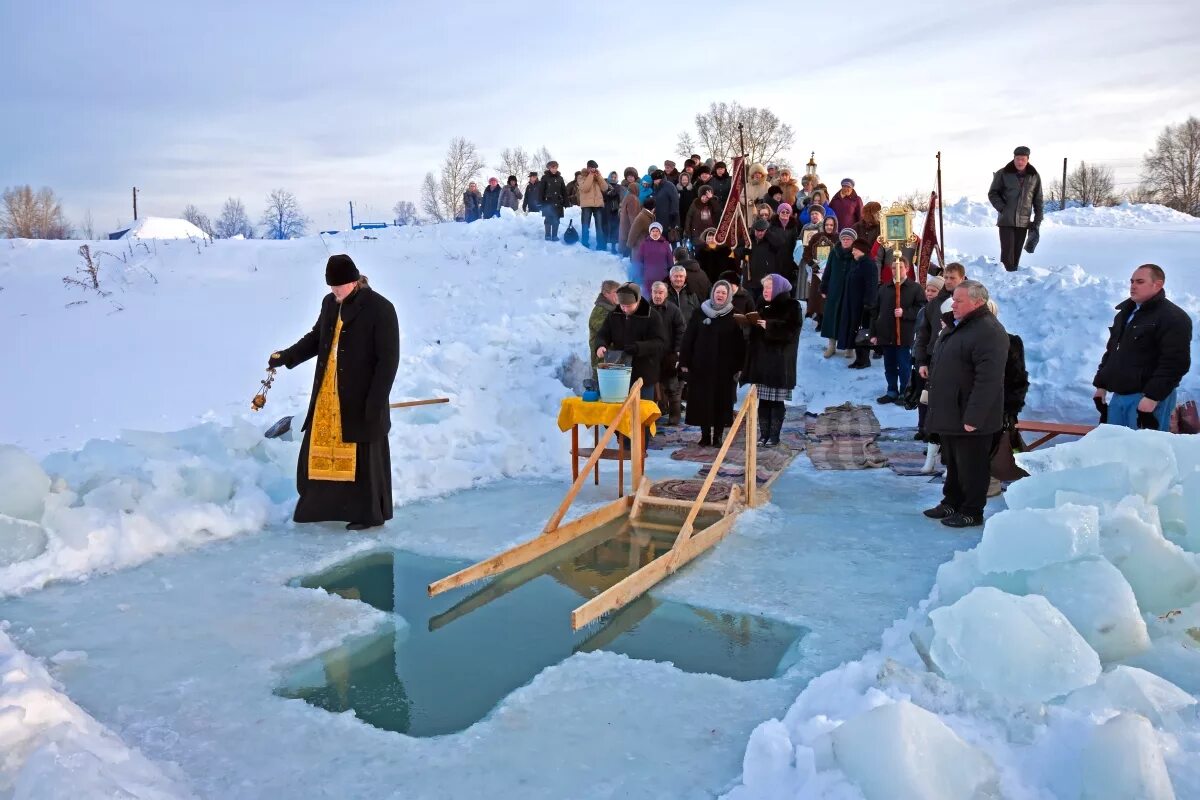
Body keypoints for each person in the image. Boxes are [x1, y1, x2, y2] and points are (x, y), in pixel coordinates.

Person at [268, 255, 399, 531]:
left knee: (360, 455)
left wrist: (375, 402)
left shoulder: (380, 309)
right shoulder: (330, 304)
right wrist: (286, 357)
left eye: (340, 286)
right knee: (319, 449)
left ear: (355, 280)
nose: (335, 291)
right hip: (329, 394)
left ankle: (367, 514)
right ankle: (321, 508)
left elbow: (388, 360)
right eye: (331, 286)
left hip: (362, 397)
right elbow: (317, 338)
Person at [923, 280, 1009, 528]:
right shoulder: (957, 326)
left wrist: (975, 417)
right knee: (953, 461)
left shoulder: (988, 331)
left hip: (970, 415)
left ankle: (972, 510)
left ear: (978, 302)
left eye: (959, 300)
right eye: (953, 299)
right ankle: (952, 501)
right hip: (950, 411)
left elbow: (988, 380)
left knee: (972, 465)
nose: (954, 304)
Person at [1093, 263, 1192, 431]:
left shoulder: (1173, 317)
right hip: (1120, 397)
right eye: (1132, 281)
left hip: (1148, 401)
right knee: (1113, 449)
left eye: (1140, 282)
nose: (1133, 286)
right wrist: (1101, 385)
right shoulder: (1125, 314)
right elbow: (1112, 352)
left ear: (1158, 284)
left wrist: (1152, 397)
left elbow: (1175, 362)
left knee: (1145, 453)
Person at [679, 280, 746, 447]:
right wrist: (685, 361)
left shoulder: (735, 315)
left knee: (721, 402)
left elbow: (740, 345)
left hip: (724, 368)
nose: (720, 295)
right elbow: (688, 338)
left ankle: (717, 436)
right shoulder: (699, 313)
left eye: (724, 293)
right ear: (713, 293)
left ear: (728, 295)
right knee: (702, 401)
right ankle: (704, 436)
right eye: (718, 292)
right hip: (701, 366)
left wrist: (739, 366)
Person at [743, 274, 802, 447]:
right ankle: (764, 435)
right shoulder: (761, 303)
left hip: (780, 361)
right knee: (764, 400)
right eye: (764, 288)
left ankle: (774, 436)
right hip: (762, 361)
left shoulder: (792, 305)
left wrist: (769, 325)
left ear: (778, 288)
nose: (765, 291)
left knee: (776, 400)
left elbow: (791, 332)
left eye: (769, 287)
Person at [593, 283, 668, 401]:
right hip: (619, 373)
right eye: (622, 305)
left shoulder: (652, 316)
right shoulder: (614, 314)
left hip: (644, 374)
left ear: (637, 301)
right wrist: (600, 345)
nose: (625, 309)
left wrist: (638, 347)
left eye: (629, 306)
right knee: (620, 411)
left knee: (642, 413)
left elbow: (660, 343)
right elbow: (603, 334)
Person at [986, 299, 1030, 496]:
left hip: (1000, 405)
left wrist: (1010, 411)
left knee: (998, 448)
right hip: (973, 404)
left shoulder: (1010, 341)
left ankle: (992, 484)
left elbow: (1018, 379)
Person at [868, 257, 925, 403]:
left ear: (906, 268)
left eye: (900, 267)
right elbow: (875, 312)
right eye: (893, 267)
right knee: (890, 365)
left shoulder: (915, 288)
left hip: (904, 335)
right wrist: (874, 333)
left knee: (904, 366)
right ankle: (892, 391)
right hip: (887, 335)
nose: (896, 270)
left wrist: (905, 313)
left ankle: (905, 393)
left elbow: (922, 309)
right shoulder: (884, 288)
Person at [988, 146, 1044, 272]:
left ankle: (1012, 278)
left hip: (1023, 221)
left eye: (1023, 159)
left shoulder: (1034, 176)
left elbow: (1038, 199)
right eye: (1017, 159)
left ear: (1027, 159)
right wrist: (1002, 208)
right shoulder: (1002, 173)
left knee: (1017, 251)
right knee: (1007, 251)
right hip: (1006, 220)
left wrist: (1038, 218)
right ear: (1014, 158)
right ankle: (1006, 277)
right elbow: (993, 193)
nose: (1020, 162)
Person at [914, 262, 965, 380]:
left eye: (952, 278)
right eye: (946, 277)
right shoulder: (933, 304)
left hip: (961, 359)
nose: (948, 281)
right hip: (934, 357)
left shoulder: (969, 301)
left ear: (962, 278)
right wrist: (921, 361)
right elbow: (923, 334)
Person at [910, 275, 945, 443]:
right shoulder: (923, 309)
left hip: (934, 356)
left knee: (932, 396)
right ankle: (921, 427)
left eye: (934, 290)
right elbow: (919, 335)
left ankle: (931, 430)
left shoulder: (942, 309)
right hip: (921, 355)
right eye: (928, 290)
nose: (930, 293)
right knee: (921, 395)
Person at [650, 281, 686, 425]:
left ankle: (674, 417)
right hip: (650, 356)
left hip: (669, 355)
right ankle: (652, 417)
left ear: (665, 294)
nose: (657, 296)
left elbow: (681, 331)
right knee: (651, 388)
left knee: (672, 387)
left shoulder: (674, 310)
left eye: (661, 293)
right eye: (655, 292)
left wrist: (677, 352)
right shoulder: (645, 308)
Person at [842, 239, 880, 368]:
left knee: (863, 332)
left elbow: (871, 286)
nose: (852, 252)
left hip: (864, 306)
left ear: (862, 250)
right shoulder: (858, 263)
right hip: (855, 304)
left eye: (855, 249)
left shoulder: (868, 264)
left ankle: (864, 360)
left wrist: (868, 304)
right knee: (857, 331)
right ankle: (860, 359)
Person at [819, 228, 857, 357]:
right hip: (834, 290)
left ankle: (849, 347)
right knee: (832, 318)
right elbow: (828, 270)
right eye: (843, 239)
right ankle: (831, 346)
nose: (845, 241)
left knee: (848, 318)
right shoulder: (834, 252)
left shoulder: (856, 254)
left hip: (850, 291)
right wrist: (824, 287)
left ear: (853, 241)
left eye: (848, 239)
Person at [803, 213, 838, 326]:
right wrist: (813, 264)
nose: (829, 227)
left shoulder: (838, 238)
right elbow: (807, 253)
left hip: (832, 273)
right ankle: (819, 318)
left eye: (831, 225)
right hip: (817, 272)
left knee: (829, 296)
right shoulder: (816, 237)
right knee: (817, 296)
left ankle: (828, 319)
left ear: (835, 226)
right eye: (827, 224)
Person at [741, 218, 785, 301]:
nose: (760, 233)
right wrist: (743, 252)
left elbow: (780, 243)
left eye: (762, 231)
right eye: (758, 231)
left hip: (764, 280)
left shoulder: (770, 241)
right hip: (750, 279)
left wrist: (768, 234)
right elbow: (737, 250)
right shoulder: (748, 240)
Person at [853, 201, 893, 283]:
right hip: (859, 264)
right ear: (870, 213)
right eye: (877, 212)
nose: (879, 214)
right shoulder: (856, 227)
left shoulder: (883, 227)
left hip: (878, 264)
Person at [588, 280, 621, 375]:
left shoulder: (613, 310)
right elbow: (608, 333)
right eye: (615, 292)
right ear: (606, 294)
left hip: (613, 360)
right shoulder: (600, 311)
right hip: (603, 362)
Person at [627, 198, 657, 287]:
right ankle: (634, 287)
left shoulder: (648, 215)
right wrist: (630, 245)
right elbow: (633, 232)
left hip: (645, 247)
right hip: (639, 247)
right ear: (653, 208)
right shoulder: (642, 217)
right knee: (638, 269)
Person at [638, 222, 674, 295]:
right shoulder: (644, 244)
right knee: (649, 295)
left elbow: (670, 260)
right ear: (650, 232)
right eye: (653, 231)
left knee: (661, 295)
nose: (655, 233)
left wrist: (671, 273)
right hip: (648, 276)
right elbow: (639, 260)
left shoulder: (665, 243)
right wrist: (640, 274)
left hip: (662, 276)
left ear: (660, 232)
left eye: (657, 231)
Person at [578, 160, 607, 250]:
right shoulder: (581, 176)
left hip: (597, 204)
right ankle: (585, 243)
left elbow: (605, 188)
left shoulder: (597, 177)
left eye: (594, 168)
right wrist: (590, 176)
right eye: (591, 167)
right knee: (585, 225)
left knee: (599, 226)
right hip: (586, 205)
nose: (593, 169)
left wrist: (599, 177)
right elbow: (585, 188)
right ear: (588, 168)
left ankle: (601, 245)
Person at [539, 161, 567, 241]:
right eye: (552, 168)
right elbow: (541, 191)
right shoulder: (545, 178)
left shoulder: (560, 178)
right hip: (548, 202)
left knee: (556, 219)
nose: (554, 169)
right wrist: (540, 202)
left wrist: (566, 202)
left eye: (556, 168)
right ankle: (547, 235)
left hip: (558, 202)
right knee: (548, 219)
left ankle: (554, 236)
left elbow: (564, 191)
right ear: (549, 168)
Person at [652, 170, 680, 237]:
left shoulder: (669, 186)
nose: (654, 182)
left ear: (659, 179)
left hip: (669, 219)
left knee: (670, 239)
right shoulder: (657, 188)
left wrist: (673, 216)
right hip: (660, 219)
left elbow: (675, 200)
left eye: (655, 180)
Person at [618, 178, 642, 257]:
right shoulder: (633, 199)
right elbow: (633, 215)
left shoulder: (627, 197)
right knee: (629, 244)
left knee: (624, 239)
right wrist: (635, 228)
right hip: (629, 226)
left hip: (624, 225)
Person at [677, 172, 696, 237]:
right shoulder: (677, 190)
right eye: (683, 180)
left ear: (688, 180)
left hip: (690, 214)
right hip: (680, 214)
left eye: (686, 180)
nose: (684, 181)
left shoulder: (692, 190)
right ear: (680, 180)